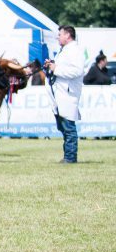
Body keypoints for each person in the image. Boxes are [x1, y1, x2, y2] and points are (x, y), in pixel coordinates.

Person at [45, 25, 84, 164]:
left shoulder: (75, 50)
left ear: (68, 35)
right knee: (63, 126)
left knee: (68, 126)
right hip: (60, 93)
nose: (58, 37)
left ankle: (70, 157)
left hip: (68, 93)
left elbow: (77, 71)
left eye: (60, 34)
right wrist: (52, 65)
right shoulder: (65, 50)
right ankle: (68, 155)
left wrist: (56, 68)